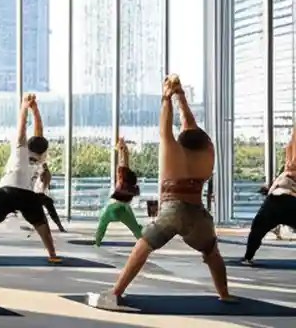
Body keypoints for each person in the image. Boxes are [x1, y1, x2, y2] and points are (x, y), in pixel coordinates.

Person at [89, 75, 235, 310]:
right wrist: (182, 97)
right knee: (211, 252)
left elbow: (165, 129)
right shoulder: (208, 152)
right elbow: (190, 125)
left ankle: (115, 292)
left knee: (143, 246)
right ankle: (225, 294)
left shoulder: (174, 151)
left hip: (172, 210)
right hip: (197, 213)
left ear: (182, 141)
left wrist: (167, 98)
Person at [0, 94, 60, 263]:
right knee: (42, 225)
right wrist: (35, 110)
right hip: (26, 194)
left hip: (7, 191)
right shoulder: (41, 158)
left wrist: (25, 107)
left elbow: (22, 129)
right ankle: (52, 254)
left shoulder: (21, 149)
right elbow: (38, 131)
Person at [242, 120, 296, 265]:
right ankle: (248, 256)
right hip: (284, 197)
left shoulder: (289, 167)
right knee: (258, 227)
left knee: (258, 228)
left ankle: (248, 256)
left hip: (278, 199)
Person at [94, 138, 143, 245]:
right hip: (124, 209)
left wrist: (122, 150)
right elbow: (125, 165)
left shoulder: (122, 182)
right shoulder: (131, 186)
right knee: (135, 229)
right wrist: (123, 150)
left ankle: (97, 242)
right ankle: (143, 241)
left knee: (102, 224)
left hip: (112, 208)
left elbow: (123, 164)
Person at [36, 164, 66, 232]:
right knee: (51, 210)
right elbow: (46, 186)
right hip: (41, 194)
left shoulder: (43, 174)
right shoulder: (46, 173)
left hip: (40, 194)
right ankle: (59, 226)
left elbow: (44, 185)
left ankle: (58, 226)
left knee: (48, 210)